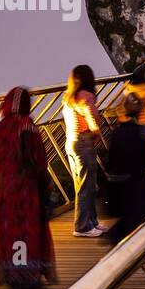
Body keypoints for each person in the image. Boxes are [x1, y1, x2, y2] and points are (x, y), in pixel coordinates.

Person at [0, 87, 58, 289]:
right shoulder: (29, 127)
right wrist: (46, 187)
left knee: (8, 229)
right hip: (24, 187)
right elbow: (39, 160)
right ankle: (26, 275)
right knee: (24, 230)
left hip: (0, 187)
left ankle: (12, 274)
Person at [102, 93, 145, 245]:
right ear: (140, 112)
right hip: (141, 185)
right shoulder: (144, 132)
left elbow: (111, 162)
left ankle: (116, 240)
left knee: (128, 220)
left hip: (121, 187)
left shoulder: (116, 134)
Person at [62, 64, 105, 237]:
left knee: (82, 184)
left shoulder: (68, 97)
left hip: (71, 141)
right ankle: (82, 226)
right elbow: (93, 117)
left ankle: (92, 221)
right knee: (87, 185)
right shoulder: (86, 96)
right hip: (83, 142)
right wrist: (96, 132)